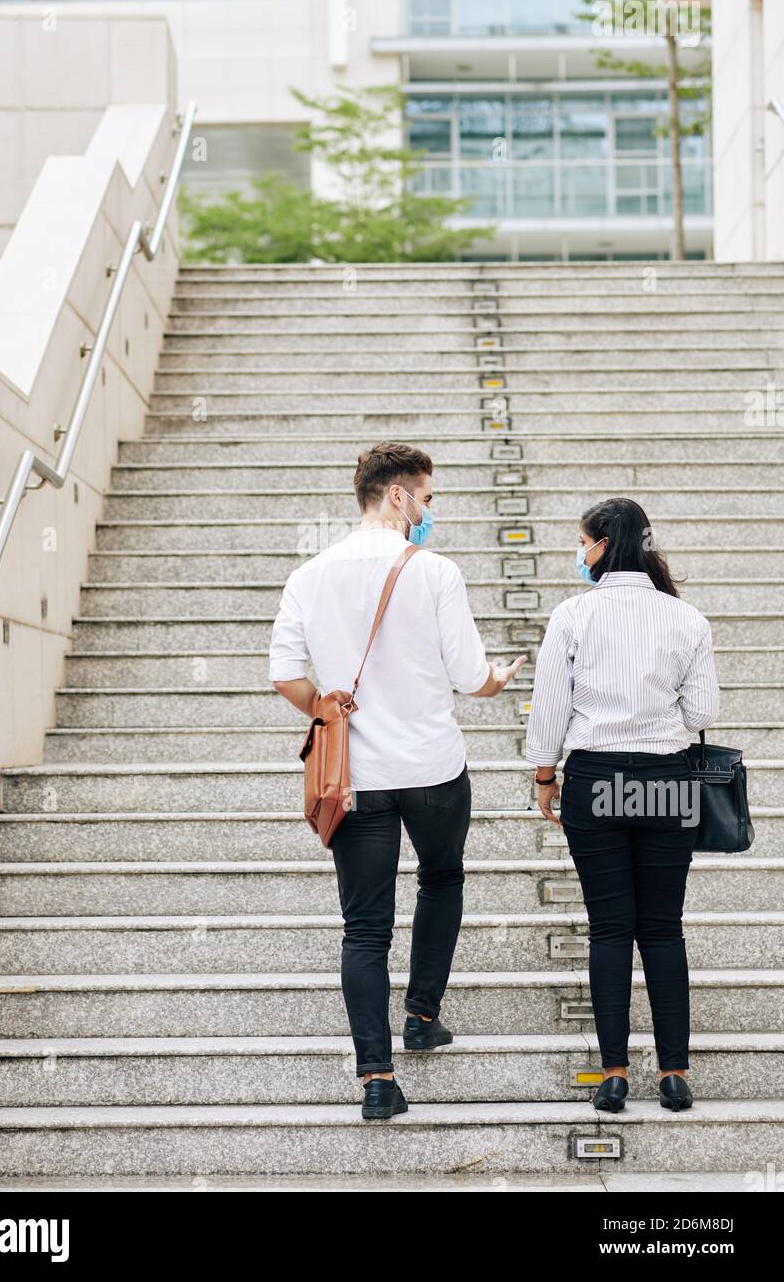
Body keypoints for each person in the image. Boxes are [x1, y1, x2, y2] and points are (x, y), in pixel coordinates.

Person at [268, 441, 527, 1120]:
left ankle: (377, 1080)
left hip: (355, 775)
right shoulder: (435, 571)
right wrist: (495, 680)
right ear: (397, 496)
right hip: (433, 768)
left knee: (364, 928)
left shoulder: (308, 576)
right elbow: (471, 676)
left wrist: (328, 705)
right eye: (427, 499)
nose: (428, 513)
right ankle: (421, 1015)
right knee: (441, 878)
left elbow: (285, 676)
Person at [525, 497, 720, 1114]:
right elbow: (702, 715)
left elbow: (551, 708)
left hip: (596, 780)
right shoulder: (686, 619)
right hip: (666, 780)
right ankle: (674, 1074)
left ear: (602, 545)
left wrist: (544, 774)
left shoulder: (573, 615)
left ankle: (613, 1074)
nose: (579, 553)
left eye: (582, 542)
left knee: (610, 930)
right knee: (663, 930)